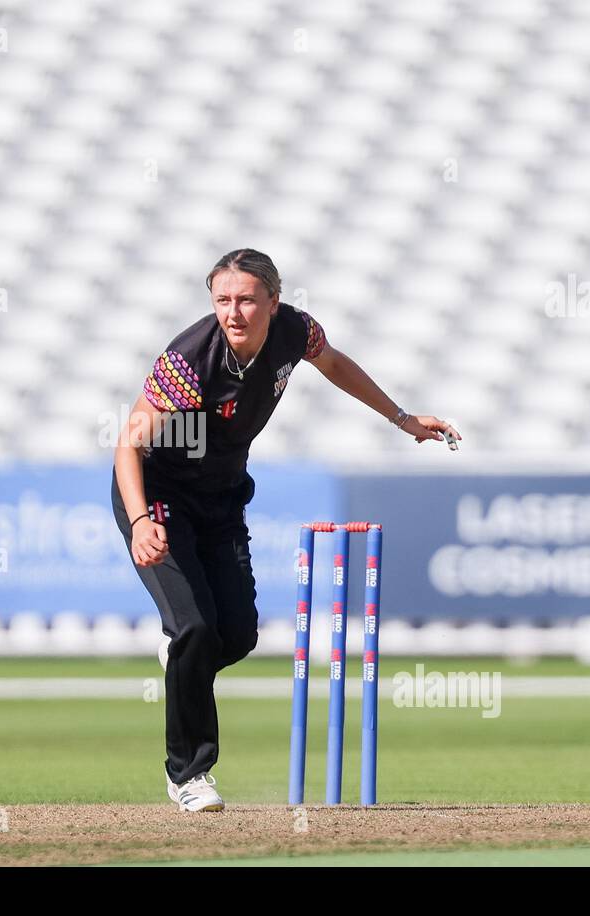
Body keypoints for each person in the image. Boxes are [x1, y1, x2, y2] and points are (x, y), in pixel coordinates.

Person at [111, 248, 460, 811]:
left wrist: (402, 419)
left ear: (274, 301)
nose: (234, 313)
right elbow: (128, 443)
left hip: (221, 496)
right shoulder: (189, 360)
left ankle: (182, 657)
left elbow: (335, 364)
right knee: (195, 629)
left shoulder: (296, 331)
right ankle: (189, 775)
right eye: (223, 300)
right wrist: (139, 520)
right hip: (158, 495)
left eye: (247, 300)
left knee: (237, 636)